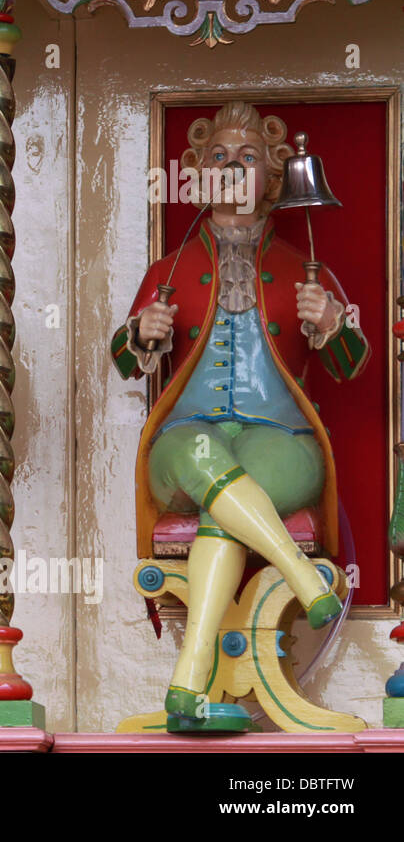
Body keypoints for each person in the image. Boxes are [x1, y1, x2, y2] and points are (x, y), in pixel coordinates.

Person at [110, 101, 370, 731]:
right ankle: (303, 577)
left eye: (247, 158)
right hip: (187, 436)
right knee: (203, 460)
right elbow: (123, 363)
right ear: (200, 174)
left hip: (281, 437)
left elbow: (350, 365)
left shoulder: (301, 268)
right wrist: (141, 332)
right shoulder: (170, 270)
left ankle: (188, 684)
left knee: (224, 504)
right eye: (219, 157)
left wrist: (333, 322)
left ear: (270, 178)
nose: (231, 168)